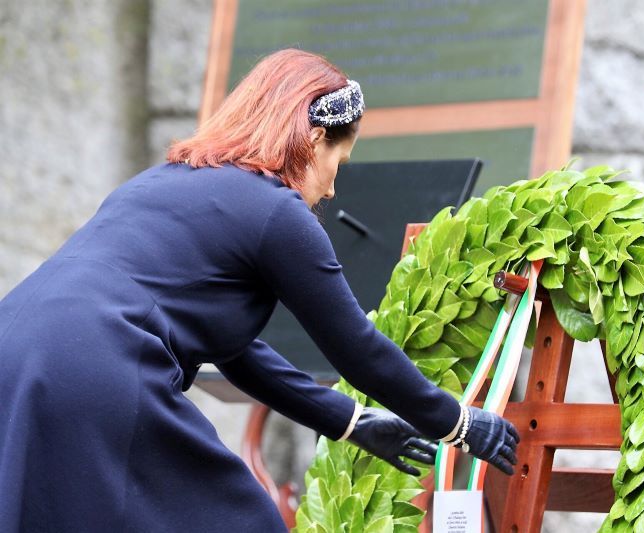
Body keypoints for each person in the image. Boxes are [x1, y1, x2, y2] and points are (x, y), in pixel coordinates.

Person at [0, 49, 519, 532]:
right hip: (99, 362)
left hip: (15, 351)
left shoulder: (160, 182)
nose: (332, 188)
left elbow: (236, 352)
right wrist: (458, 423)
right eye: (339, 163)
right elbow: (356, 348)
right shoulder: (277, 211)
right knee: (245, 522)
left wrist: (350, 421)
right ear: (314, 139)